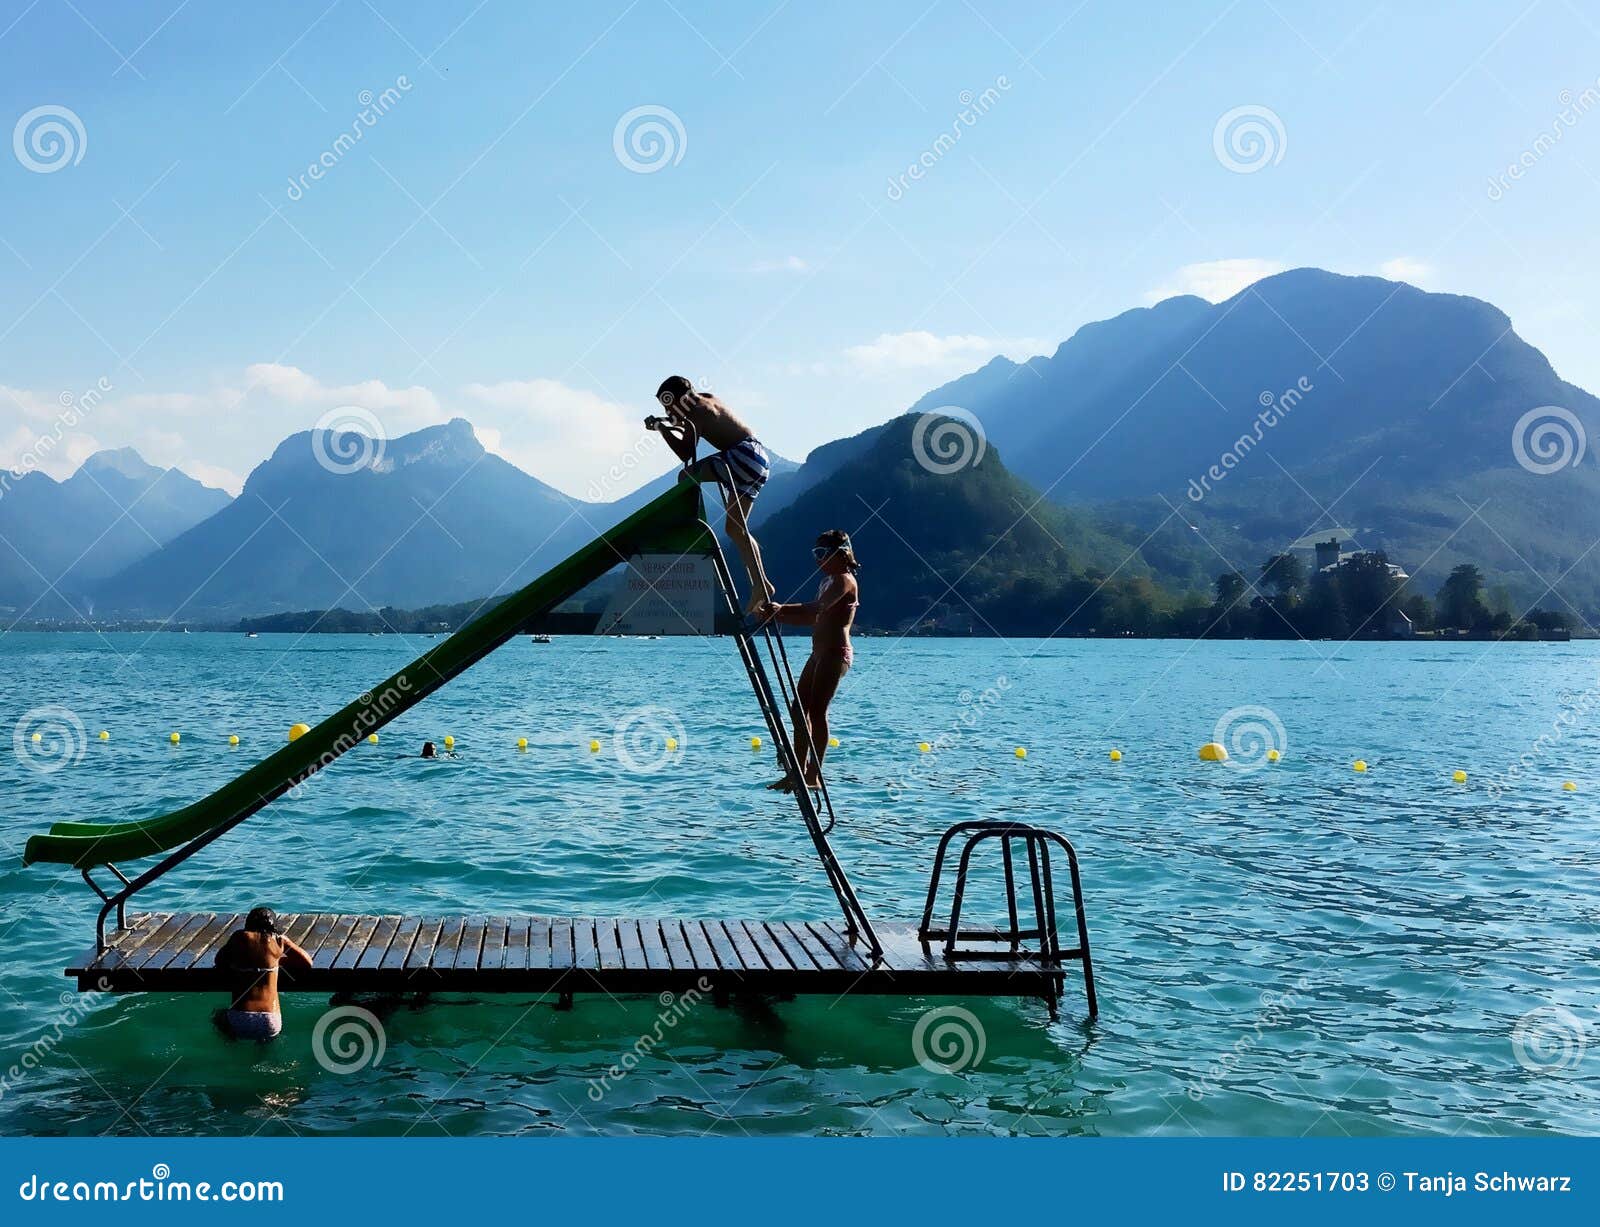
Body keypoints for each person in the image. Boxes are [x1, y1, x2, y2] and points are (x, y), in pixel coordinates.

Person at [647, 375, 773, 614]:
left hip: (741, 456)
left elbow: (685, 452)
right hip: (757, 458)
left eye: (668, 404)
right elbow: (685, 422)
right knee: (736, 529)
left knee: (686, 476)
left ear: (680, 399)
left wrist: (663, 429)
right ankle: (761, 584)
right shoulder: (706, 400)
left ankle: (688, 522)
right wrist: (666, 421)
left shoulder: (697, 413)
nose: (667, 410)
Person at [759, 530, 859, 791]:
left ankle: (813, 775)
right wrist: (778, 615)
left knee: (817, 712)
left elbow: (818, 608)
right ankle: (798, 771)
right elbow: (810, 618)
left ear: (842, 553)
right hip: (818, 653)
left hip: (836, 652)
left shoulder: (843, 581)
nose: (817, 560)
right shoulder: (826, 582)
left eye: (822, 554)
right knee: (797, 709)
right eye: (814, 554)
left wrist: (782, 609)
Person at [212, 907, 311, 1041]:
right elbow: (307, 962)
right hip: (270, 1022)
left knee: (217, 1015)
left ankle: (231, 1043)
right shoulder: (279, 940)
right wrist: (276, 962)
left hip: (241, 1019)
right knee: (265, 1042)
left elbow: (219, 960)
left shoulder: (240, 936)